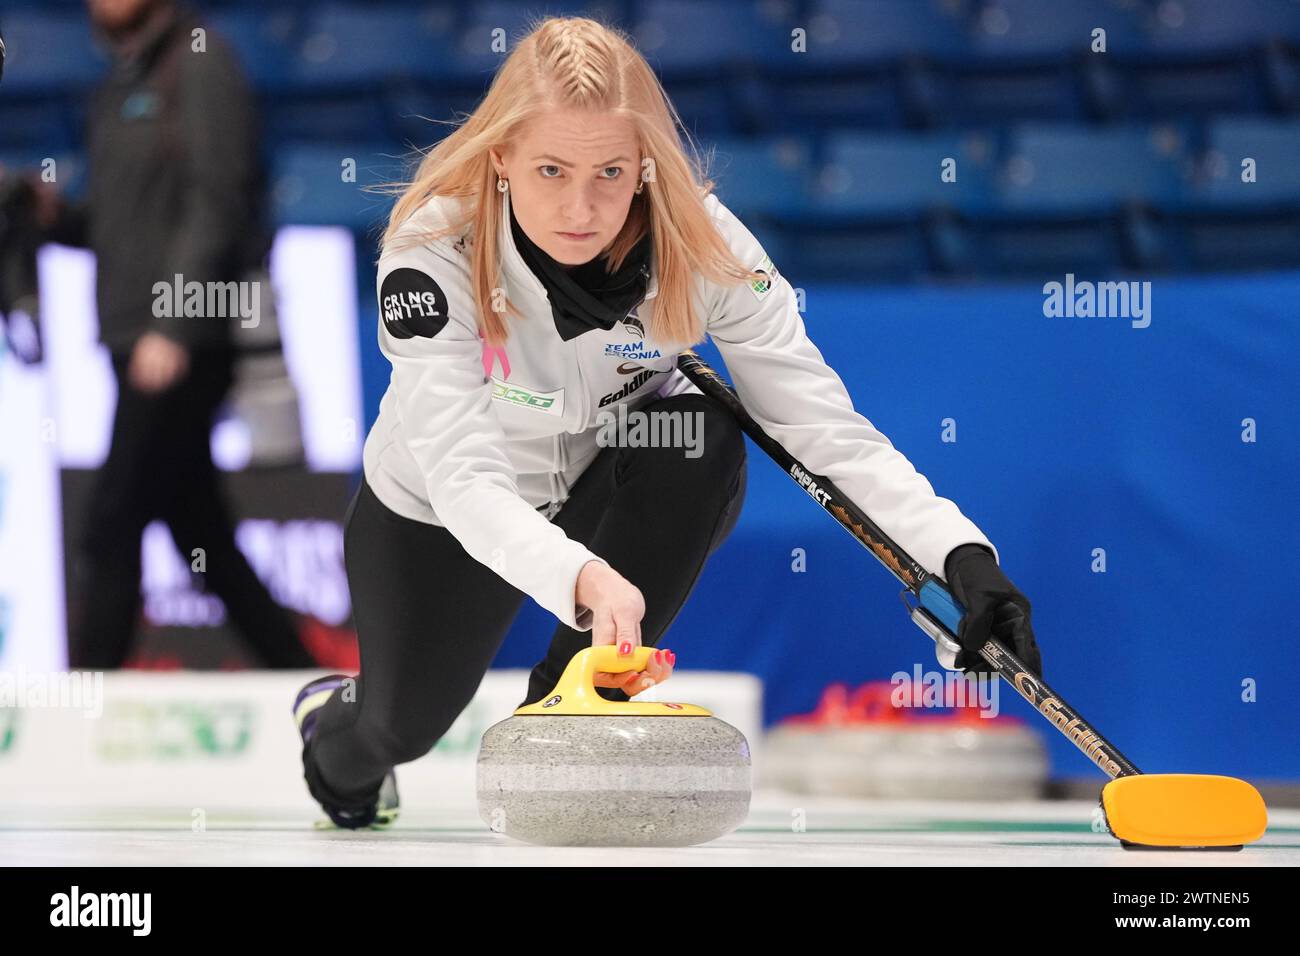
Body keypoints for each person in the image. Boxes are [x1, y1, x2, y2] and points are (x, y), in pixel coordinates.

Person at [294, 16, 1042, 829]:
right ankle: (336, 725)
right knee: (394, 732)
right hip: (441, 508)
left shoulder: (707, 244)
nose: (581, 209)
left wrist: (960, 555)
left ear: (646, 165)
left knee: (701, 428)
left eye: (610, 173)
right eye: (551, 170)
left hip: (598, 480)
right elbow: (464, 478)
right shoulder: (432, 247)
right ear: (502, 157)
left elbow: (822, 427)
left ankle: (566, 712)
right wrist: (579, 577)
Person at [40, 0, 314, 668]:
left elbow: (218, 198)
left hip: (183, 342)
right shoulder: (120, 83)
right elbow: (115, 221)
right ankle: (306, 685)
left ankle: (84, 704)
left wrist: (175, 321)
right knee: (202, 537)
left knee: (112, 520)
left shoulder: (199, 59)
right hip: (133, 340)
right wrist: (50, 215)